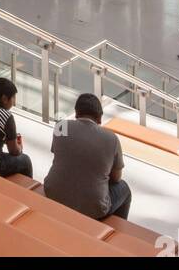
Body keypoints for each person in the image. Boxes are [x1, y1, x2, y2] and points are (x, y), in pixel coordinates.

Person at [43, 93, 131, 221]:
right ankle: (114, 231)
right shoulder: (111, 138)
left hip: (53, 193)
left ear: (76, 113)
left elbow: (59, 155)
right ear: (100, 118)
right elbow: (116, 178)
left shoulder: (61, 126)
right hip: (93, 209)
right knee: (124, 189)